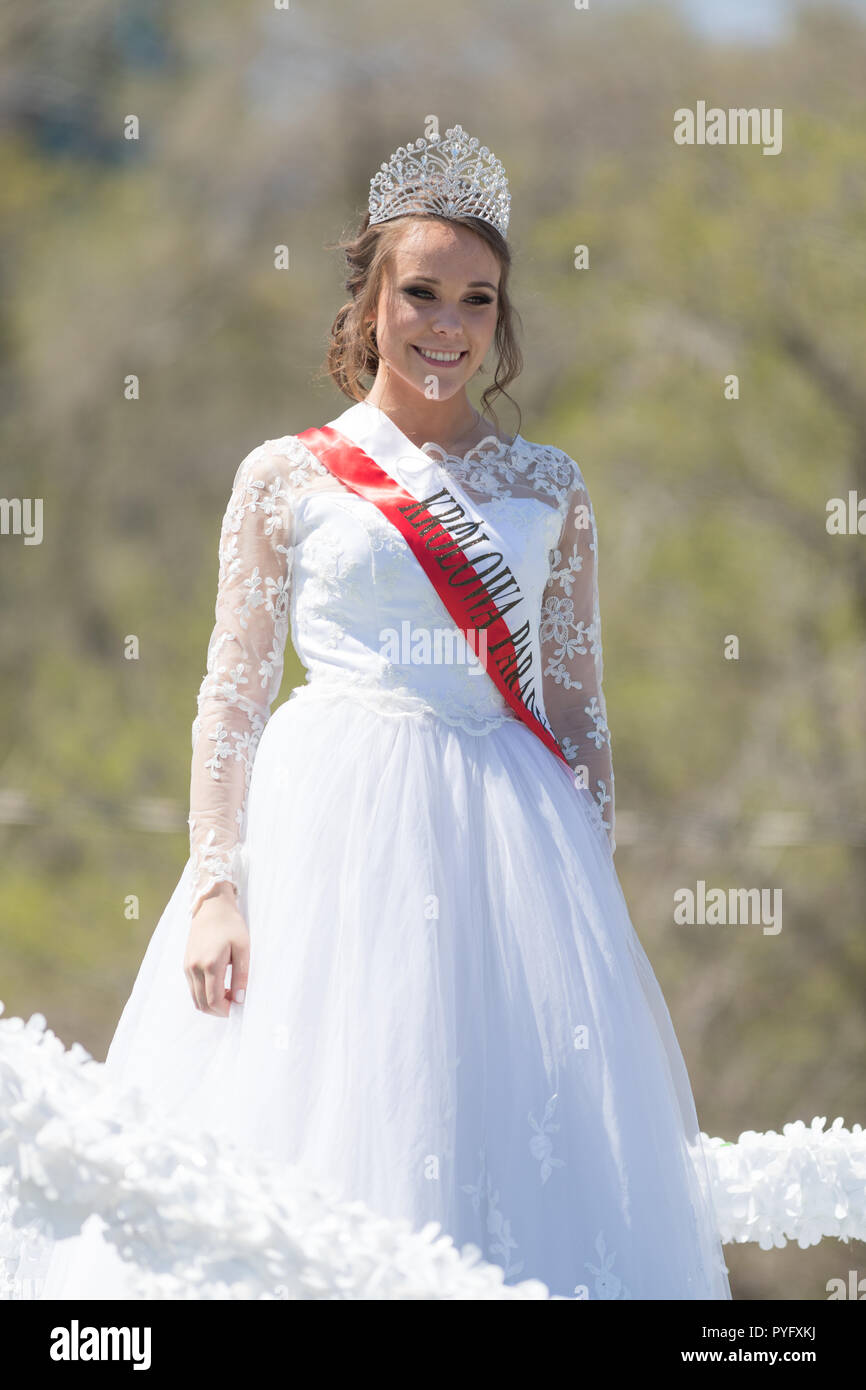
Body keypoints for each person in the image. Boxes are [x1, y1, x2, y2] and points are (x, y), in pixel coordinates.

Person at [38, 123, 730, 1299]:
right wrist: (214, 882)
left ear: (501, 315)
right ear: (367, 298)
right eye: (419, 293)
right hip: (327, 826)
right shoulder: (286, 473)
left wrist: (580, 891)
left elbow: (575, 705)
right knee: (323, 1123)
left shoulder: (547, 488)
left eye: (476, 299)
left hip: (509, 841)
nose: (446, 327)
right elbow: (232, 692)